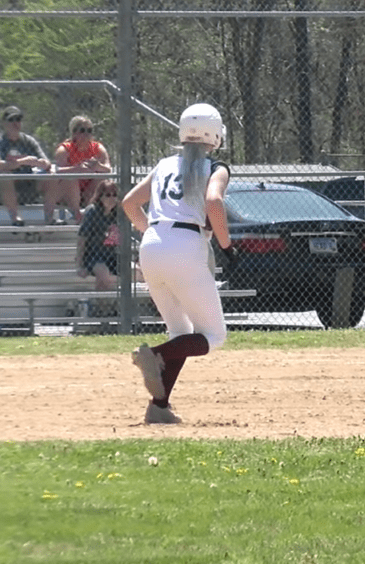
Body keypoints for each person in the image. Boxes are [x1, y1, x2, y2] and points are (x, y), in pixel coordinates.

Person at [121, 103, 234, 424]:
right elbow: (214, 201)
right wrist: (228, 246)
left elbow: (130, 204)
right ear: (215, 135)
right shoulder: (216, 167)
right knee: (213, 337)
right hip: (186, 247)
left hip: (152, 244)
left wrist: (157, 237)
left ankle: (159, 406)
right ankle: (154, 355)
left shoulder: (164, 164)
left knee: (180, 332)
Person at [52, 115, 112, 224]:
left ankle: (90, 212)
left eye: (89, 131)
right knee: (71, 178)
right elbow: (56, 171)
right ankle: (77, 215)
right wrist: (77, 169)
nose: (87, 134)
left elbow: (108, 169)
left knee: (102, 179)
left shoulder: (98, 148)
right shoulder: (65, 149)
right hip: (67, 193)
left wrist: (98, 166)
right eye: (82, 130)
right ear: (74, 133)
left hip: (88, 190)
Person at [74, 179, 120, 315]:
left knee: (138, 272)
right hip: (94, 256)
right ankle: (105, 311)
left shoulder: (119, 212)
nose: (111, 198)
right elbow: (82, 238)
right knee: (103, 274)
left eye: (114, 194)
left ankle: (110, 309)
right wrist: (79, 264)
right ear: (100, 196)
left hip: (114, 256)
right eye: (107, 195)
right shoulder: (92, 211)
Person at [0, 105, 51, 226]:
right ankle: (15, 218)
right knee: (5, 175)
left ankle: (49, 219)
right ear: (4, 123)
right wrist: (23, 161)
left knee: (51, 174)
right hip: (6, 189)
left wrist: (35, 162)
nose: (15, 123)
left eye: (18, 119)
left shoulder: (28, 141)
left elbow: (46, 163)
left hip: (29, 185)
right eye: (11, 120)